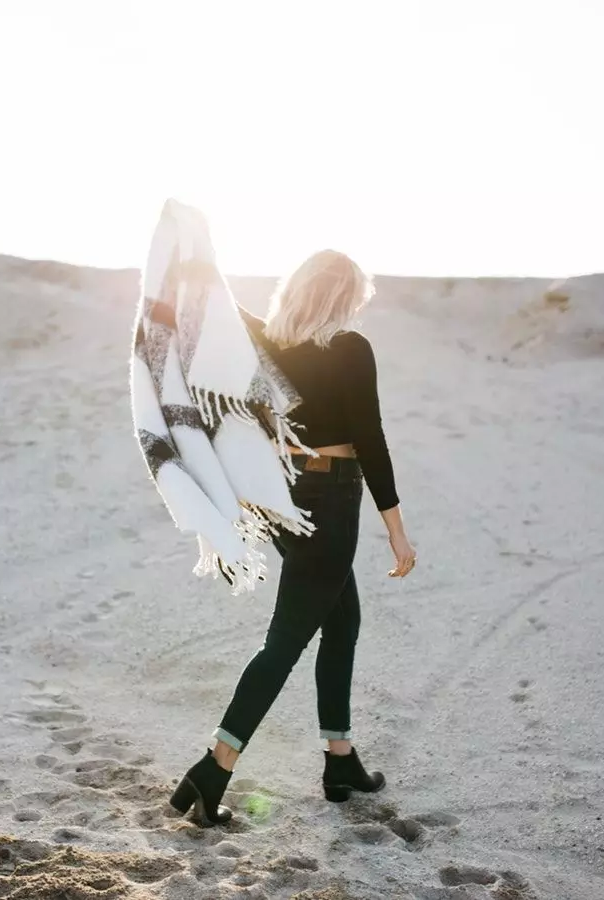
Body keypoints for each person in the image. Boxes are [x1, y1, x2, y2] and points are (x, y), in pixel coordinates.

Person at [168, 249, 417, 827]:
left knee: (342, 617)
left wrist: (193, 252)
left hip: (283, 495)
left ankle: (340, 759)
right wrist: (397, 531)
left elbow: (226, 304)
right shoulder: (350, 348)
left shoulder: (269, 342)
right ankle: (215, 767)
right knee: (287, 638)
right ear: (344, 298)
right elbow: (370, 438)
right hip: (330, 498)